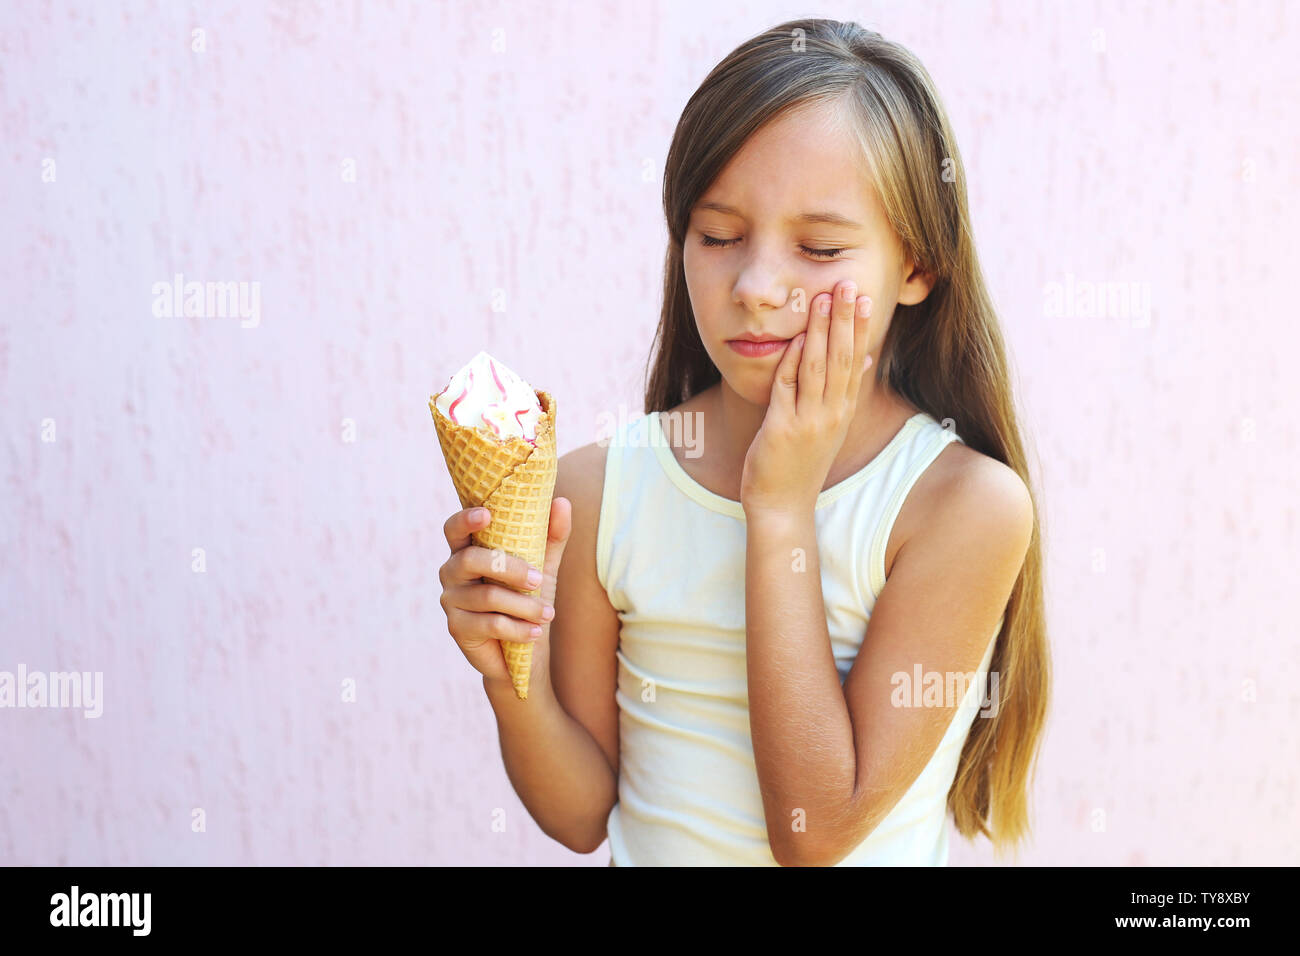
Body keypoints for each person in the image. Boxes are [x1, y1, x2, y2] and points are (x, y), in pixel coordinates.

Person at [438, 17, 1050, 866]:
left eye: (820, 248)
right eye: (718, 236)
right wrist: (511, 675)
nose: (757, 288)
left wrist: (782, 508)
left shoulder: (963, 506)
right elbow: (582, 816)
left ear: (916, 267)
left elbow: (819, 831)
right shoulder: (603, 489)